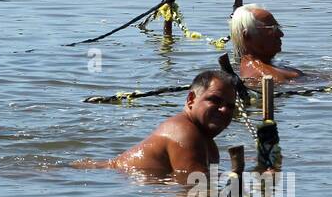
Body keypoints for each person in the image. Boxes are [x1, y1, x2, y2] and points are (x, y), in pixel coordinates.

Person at [80, 71, 238, 177]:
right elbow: (197, 189)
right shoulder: (185, 134)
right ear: (191, 99)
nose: (224, 110)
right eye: (214, 100)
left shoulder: (205, 139)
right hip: (96, 177)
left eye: (230, 106)